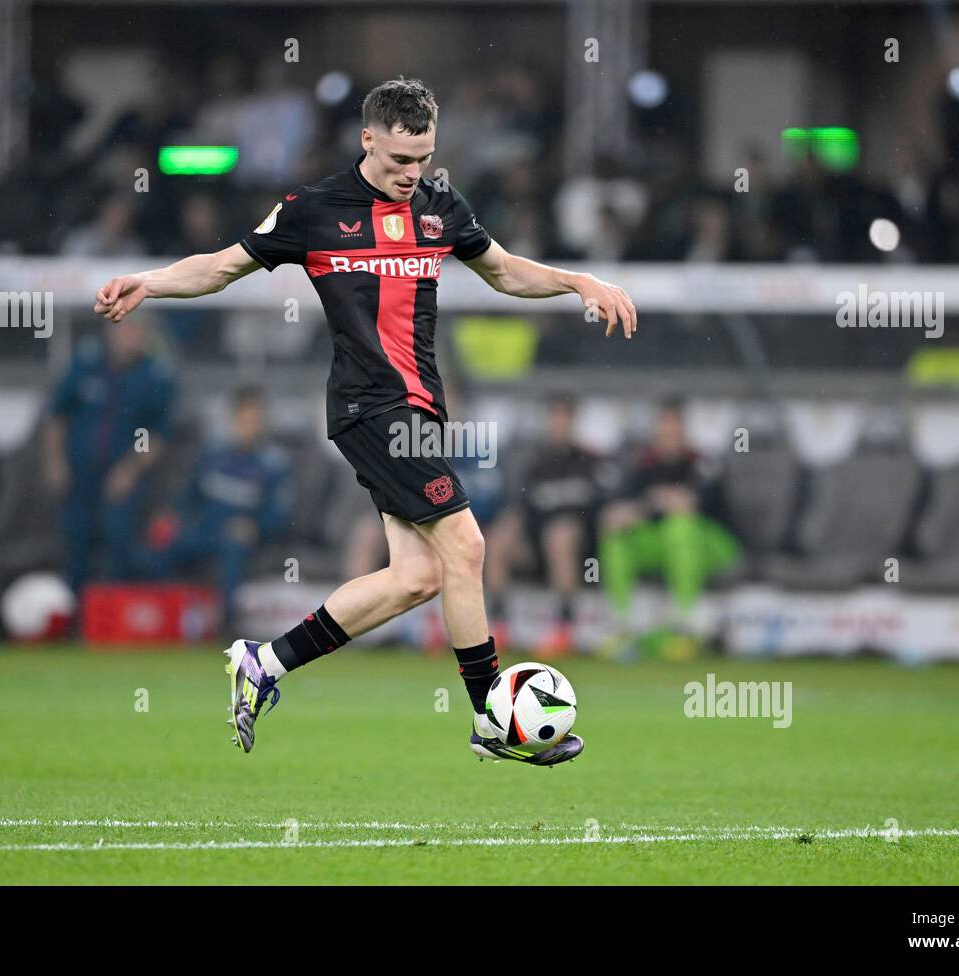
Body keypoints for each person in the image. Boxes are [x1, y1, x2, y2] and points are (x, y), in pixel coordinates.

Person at [94, 77, 636, 765]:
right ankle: (493, 721)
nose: (414, 175)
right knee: (466, 547)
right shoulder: (314, 210)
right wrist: (151, 280)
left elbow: (504, 273)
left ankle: (264, 664)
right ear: (368, 139)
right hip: (369, 406)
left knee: (416, 577)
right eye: (400, 160)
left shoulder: (441, 207)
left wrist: (579, 281)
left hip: (419, 410)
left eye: (425, 159)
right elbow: (221, 268)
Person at [599, 403, 741, 660]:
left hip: (713, 545)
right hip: (664, 544)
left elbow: (685, 505)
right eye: (664, 430)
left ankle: (683, 627)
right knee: (617, 535)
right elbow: (616, 514)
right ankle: (622, 627)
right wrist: (637, 509)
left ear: (684, 432)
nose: (669, 436)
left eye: (674, 430)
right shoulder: (642, 467)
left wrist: (647, 504)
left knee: (680, 526)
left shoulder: (703, 463)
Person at [139, 388, 290, 629]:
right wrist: (171, 517)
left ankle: (224, 627)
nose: (248, 426)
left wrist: (255, 527)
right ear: (233, 420)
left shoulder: (272, 466)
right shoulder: (212, 456)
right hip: (205, 531)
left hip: (238, 539)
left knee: (231, 550)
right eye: (243, 419)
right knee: (158, 549)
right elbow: (188, 496)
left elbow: (279, 515)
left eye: (254, 420)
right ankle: (164, 621)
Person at [44, 318, 174, 596]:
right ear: (110, 332)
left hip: (120, 476)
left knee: (119, 544)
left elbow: (157, 434)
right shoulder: (86, 364)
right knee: (75, 543)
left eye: (136, 331)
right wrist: (55, 462)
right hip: (79, 474)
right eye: (125, 330)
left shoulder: (154, 376)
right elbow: (57, 415)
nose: (130, 338)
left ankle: (112, 619)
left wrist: (128, 471)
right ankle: (73, 617)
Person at [485, 397, 606, 656]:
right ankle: (499, 623)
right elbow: (519, 507)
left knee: (560, 534)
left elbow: (602, 510)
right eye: (554, 419)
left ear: (573, 422)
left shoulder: (590, 462)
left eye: (564, 419)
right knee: (499, 536)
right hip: (536, 545)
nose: (558, 425)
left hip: (584, 555)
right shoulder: (533, 464)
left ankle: (565, 626)